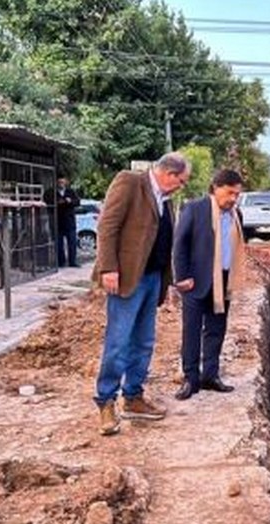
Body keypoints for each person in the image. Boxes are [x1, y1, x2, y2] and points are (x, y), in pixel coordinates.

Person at [91, 153, 191, 435]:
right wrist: (108, 267)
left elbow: (163, 241)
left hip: (152, 279)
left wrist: (167, 281)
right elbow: (107, 226)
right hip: (127, 278)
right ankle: (106, 402)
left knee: (144, 342)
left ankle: (133, 397)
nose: (181, 186)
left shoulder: (166, 200)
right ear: (169, 173)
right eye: (180, 181)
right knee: (118, 341)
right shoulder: (130, 182)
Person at [172, 169, 246, 401]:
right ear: (216, 187)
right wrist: (181, 276)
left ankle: (210, 376)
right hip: (196, 280)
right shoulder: (195, 209)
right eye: (230, 192)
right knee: (192, 330)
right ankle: (190, 379)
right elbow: (180, 244)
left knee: (216, 329)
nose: (233, 198)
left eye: (237, 194)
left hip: (223, 280)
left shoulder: (236, 215)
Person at [46, 176, 81, 267]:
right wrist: (58, 202)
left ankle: (72, 262)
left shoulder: (70, 192)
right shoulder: (51, 192)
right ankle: (61, 262)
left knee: (72, 243)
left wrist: (70, 201)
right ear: (56, 182)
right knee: (58, 244)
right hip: (57, 222)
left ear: (66, 182)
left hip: (69, 222)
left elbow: (78, 202)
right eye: (59, 182)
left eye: (63, 182)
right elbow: (47, 202)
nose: (61, 183)